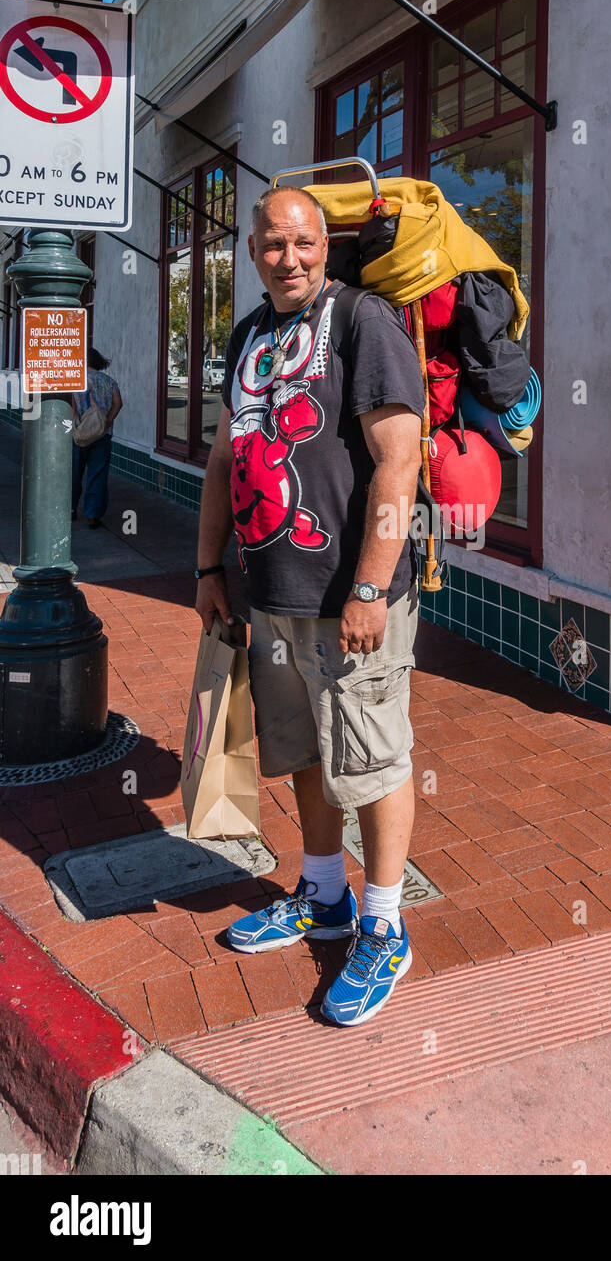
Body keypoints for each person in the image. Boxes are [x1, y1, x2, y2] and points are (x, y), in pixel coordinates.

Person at [195, 186, 426, 1028]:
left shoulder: (364, 322)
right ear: (252, 252)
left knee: (372, 758)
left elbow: (398, 462)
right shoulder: (249, 333)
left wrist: (370, 585)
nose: (286, 259)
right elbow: (225, 457)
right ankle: (322, 893)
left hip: (349, 599)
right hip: (272, 593)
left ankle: (384, 923)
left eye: (301, 243)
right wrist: (209, 565)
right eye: (269, 245)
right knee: (302, 750)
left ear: (324, 245)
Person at [71, 347, 123, 529]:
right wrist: (107, 422)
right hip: (102, 435)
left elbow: (71, 406)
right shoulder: (109, 381)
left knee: (73, 473)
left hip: (79, 434)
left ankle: (70, 509)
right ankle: (93, 515)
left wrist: (75, 423)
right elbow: (118, 403)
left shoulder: (75, 380)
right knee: (98, 474)